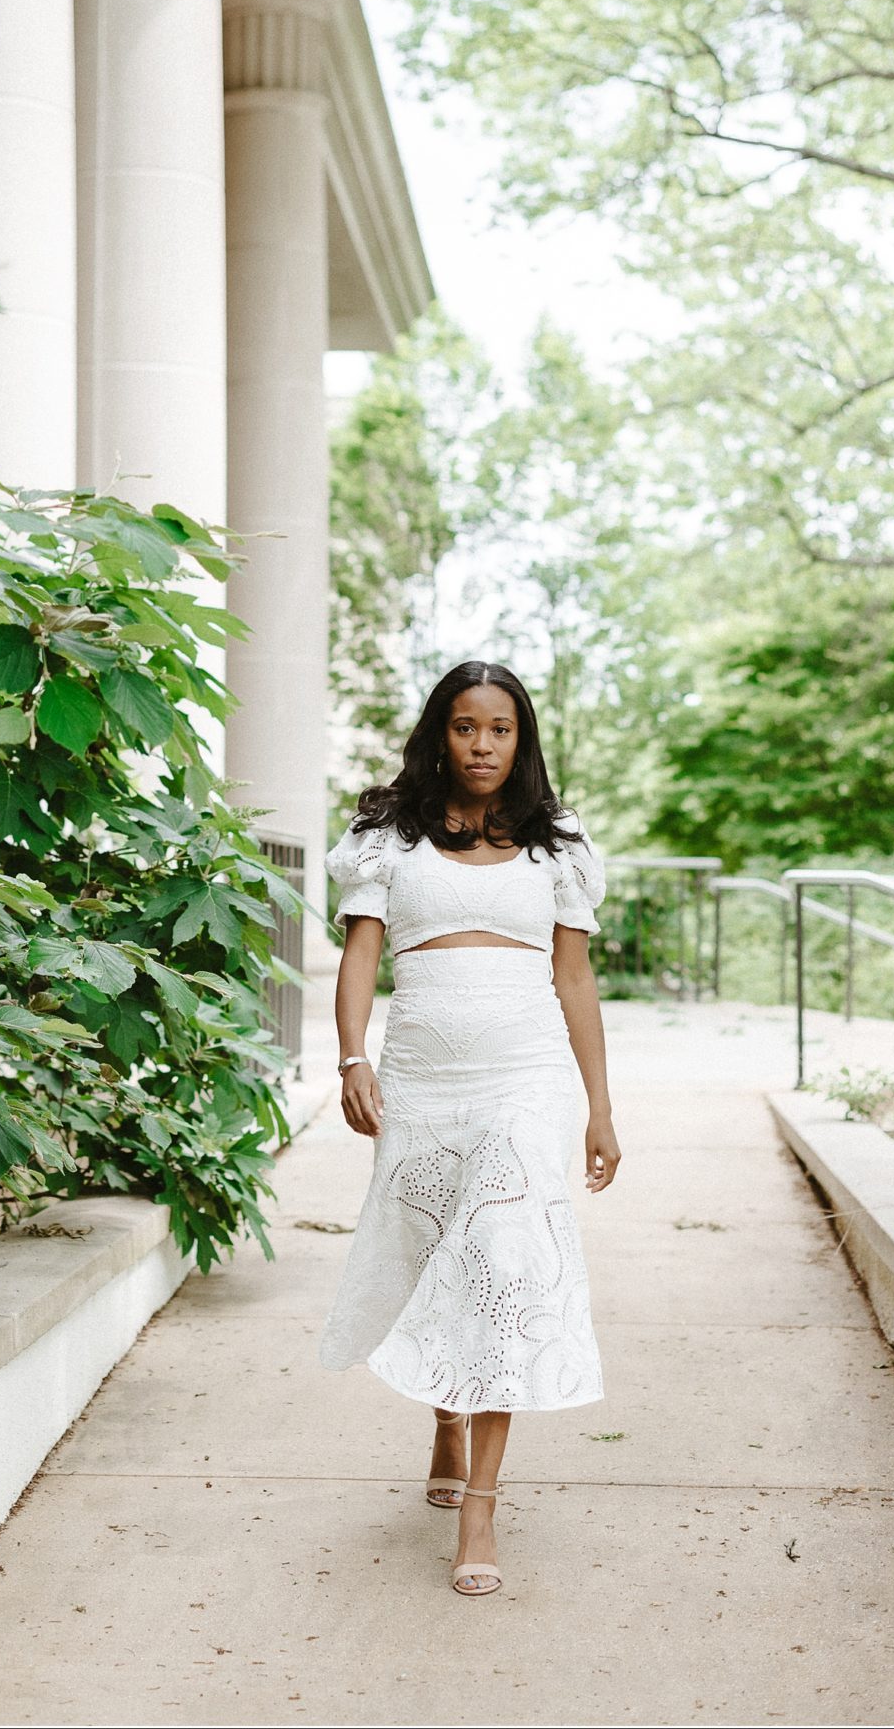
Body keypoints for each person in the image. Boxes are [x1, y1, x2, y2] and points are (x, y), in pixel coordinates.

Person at [320, 659, 621, 1599]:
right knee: (429, 1258)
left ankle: (482, 1507)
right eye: (464, 727)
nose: (482, 745)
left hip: (523, 1080)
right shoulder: (386, 837)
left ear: (520, 739)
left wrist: (599, 1106)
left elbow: (573, 980)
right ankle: (445, 1418)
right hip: (420, 1081)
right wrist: (350, 1057)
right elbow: (361, 958)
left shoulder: (556, 843)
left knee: (503, 1263)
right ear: (438, 735)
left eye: (499, 729)